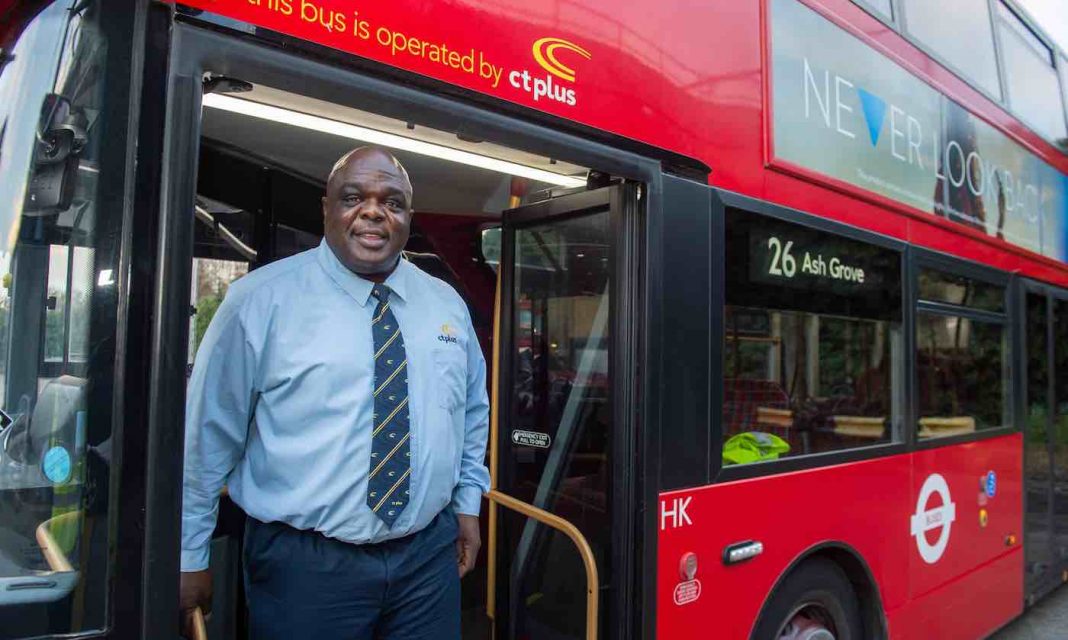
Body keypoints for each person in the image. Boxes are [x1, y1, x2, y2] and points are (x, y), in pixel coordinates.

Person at [179, 146, 490, 639]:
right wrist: (189, 553)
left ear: (408, 217)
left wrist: (467, 503)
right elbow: (205, 439)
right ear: (326, 209)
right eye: (353, 197)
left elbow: (472, 412)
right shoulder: (259, 303)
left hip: (427, 561)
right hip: (305, 568)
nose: (373, 211)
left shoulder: (445, 303)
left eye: (392, 202)